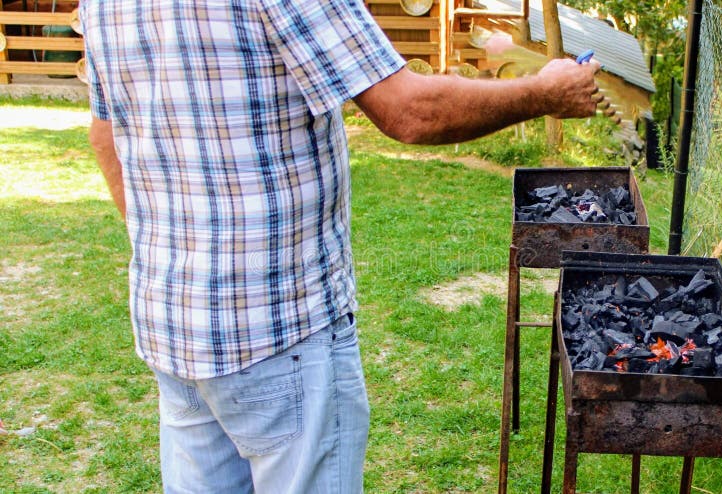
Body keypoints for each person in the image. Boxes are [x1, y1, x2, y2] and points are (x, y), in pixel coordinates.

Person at [81, 1, 601, 492]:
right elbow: (409, 110)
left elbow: (105, 136)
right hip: (280, 330)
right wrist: (544, 93)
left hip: (172, 322)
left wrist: (176, 250)